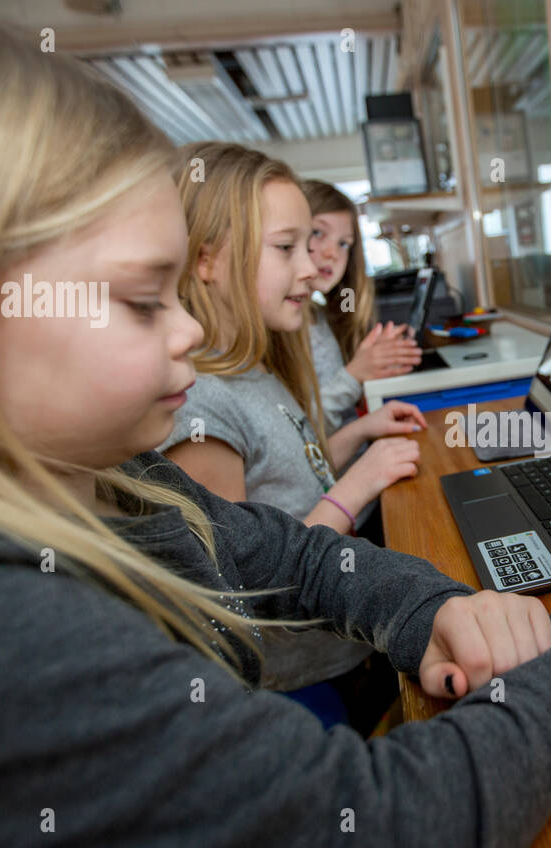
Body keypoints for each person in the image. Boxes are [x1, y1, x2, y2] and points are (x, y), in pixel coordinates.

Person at [0, 0, 551, 848]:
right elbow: (389, 831)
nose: (191, 335)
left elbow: (299, 556)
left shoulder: (122, 479)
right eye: (140, 300)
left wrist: (429, 613)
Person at [157, 142, 424, 725]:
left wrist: (357, 438)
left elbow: (284, 475)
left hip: (343, 646)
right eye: (287, 247)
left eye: (311, 244)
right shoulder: (200, 407)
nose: (311, 266)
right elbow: (246, 592)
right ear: (206, 259)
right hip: (300, 681)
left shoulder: (251, 367)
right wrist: (356, 488)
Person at [302, 178, 422, 429]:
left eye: (344, 244)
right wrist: (355, 374)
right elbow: (297, 436)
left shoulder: (320, 317)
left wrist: (378, 365)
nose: (332, 253)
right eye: (317, 232)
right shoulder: (282, 328)